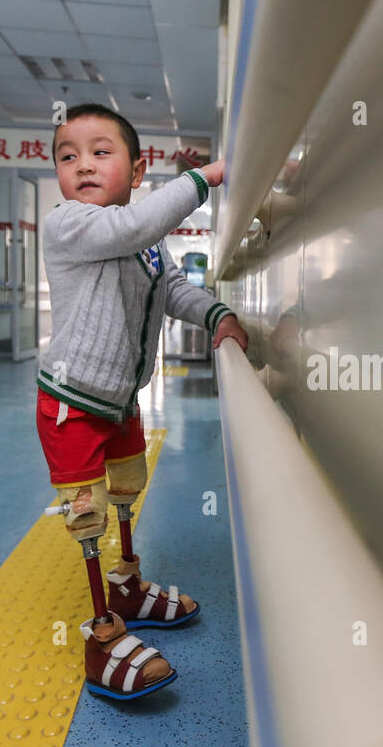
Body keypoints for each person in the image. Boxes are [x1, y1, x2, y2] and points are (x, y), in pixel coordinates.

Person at [36, 103, 249, 700]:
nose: (81, 165)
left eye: (101, 152)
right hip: (72, 403)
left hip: (122, 401)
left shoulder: (148, 245)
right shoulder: (70, 224)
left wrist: (217, 315)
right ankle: (103, 637)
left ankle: (127, 585)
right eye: (67, 155)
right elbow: (130, 228)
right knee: (89, 517)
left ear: (135, 171)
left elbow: (172, 287)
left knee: (128, 492)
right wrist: (201, 179)